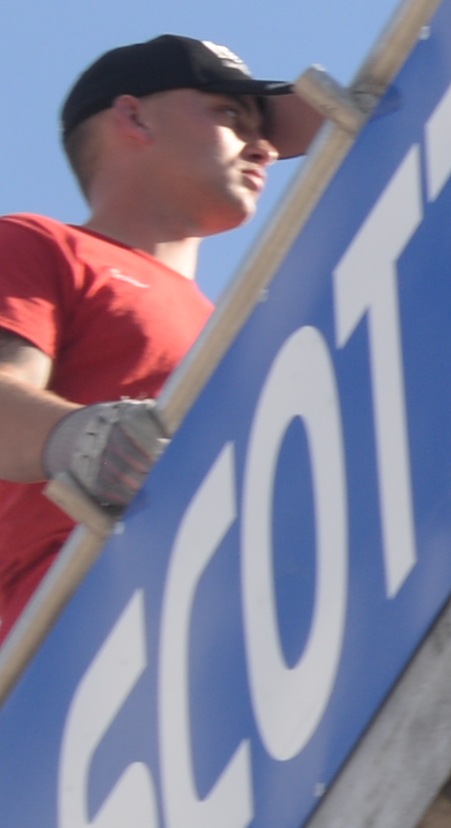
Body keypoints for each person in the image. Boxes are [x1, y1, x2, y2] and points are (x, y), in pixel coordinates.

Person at [0, 38, 339, 634]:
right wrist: (86, 441)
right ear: (134, 117)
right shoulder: (40, 245)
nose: (263, 148)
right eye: (231, 115)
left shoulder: (240, 330)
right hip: (65, 634)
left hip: (225, 627)